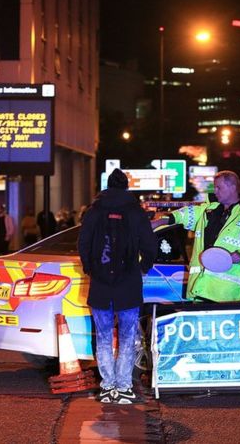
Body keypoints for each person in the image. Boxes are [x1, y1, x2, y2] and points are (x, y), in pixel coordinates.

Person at [78, 169, 156, 404]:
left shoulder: (94, 212)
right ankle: (123, 386)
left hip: (101, 285)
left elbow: (83, 243)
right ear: (126, 187)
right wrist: (143, 267)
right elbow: (150, 245)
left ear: (107, 186)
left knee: (102, 337)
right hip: (128, 284)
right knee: (127, 335)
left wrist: (90, 268)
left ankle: (107, 386)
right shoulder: (136, 213)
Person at [151, 170, 240, 302]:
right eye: (215, 188)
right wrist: (160, 221)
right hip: (199, 289)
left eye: (219, 187)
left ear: (232, 187)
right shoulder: (208, 209)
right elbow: (184, 215)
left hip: (225, 294)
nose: (215, 191)